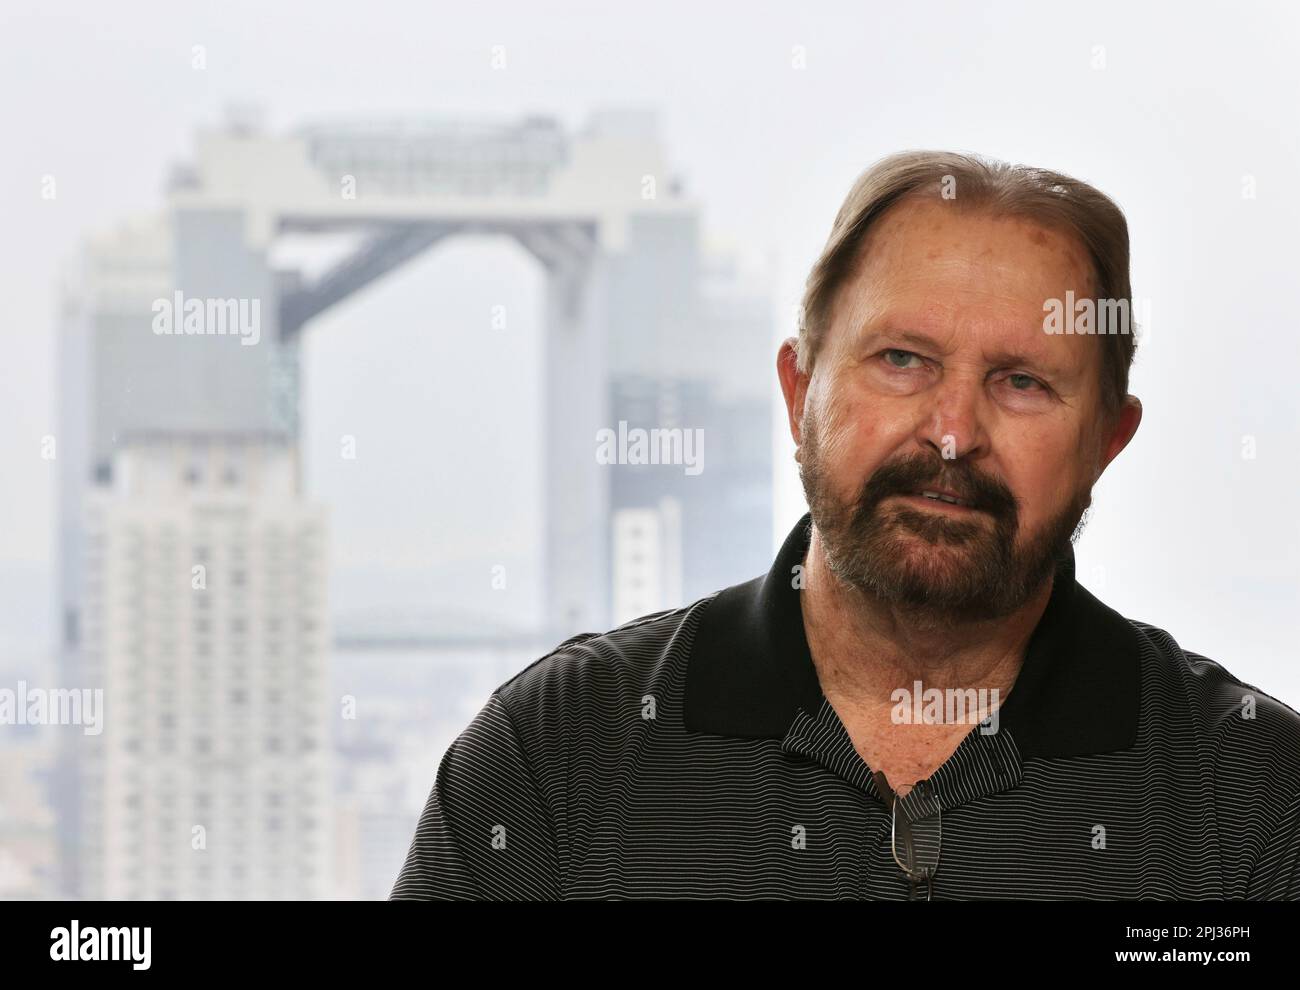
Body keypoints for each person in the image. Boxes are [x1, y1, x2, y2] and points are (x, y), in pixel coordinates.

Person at [391, 151, 1300, 900]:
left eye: (1022, 381)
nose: (952, 434)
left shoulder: (1256, 796)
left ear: (1108, 439)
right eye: (902, 360)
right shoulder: (557, 750)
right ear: (799, 395)